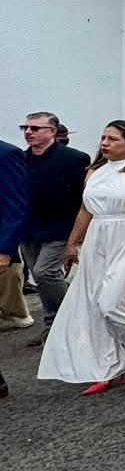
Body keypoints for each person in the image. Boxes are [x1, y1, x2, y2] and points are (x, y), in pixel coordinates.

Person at [38, 121, 125, 393]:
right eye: (103, 137)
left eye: (112, 139)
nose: (104, 142)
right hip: (99, 240)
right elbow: (85, 210)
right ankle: (109, 366)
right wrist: (73, 243)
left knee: (110, 302)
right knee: (94, 305)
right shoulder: (94, 170)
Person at [17, 112, 90, 336]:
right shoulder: (19, 159)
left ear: (52, 131)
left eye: (35, 128)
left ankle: (73, 317)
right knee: (40, 278)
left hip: (62, 226)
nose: (29, 132)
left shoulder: (74, 159)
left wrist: (79, 234)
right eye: (26, 128)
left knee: (45, 272)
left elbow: (84, 198)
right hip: (28, 228)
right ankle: (53, 326)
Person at [0, 132, 30, 336]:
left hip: (2, 234)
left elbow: (15, 205)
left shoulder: (7, 154)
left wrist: (6, 249)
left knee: (8, 275)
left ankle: (15, 313)